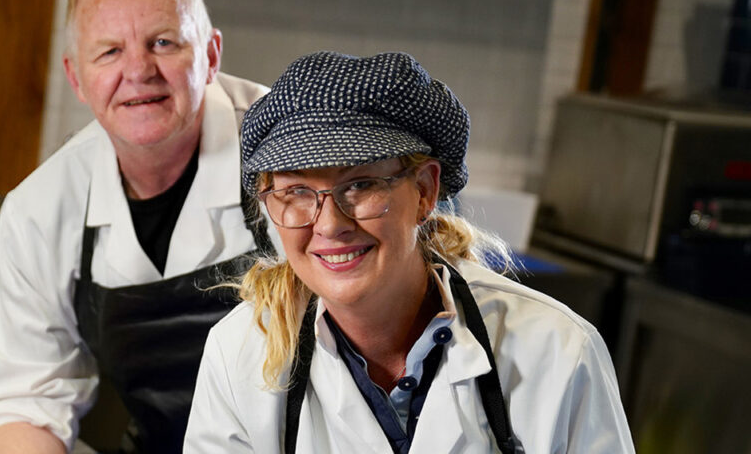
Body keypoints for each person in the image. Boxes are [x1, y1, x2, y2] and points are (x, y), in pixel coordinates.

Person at [184, 51, 634, 453]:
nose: (329, 224)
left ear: (424, 191)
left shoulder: (557, 352)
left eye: (359, 185)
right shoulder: (237, 353)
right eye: (297, 191)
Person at [0, 0, 274, 454]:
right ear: (76, 78)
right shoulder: (42, 207)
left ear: (211, 54)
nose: (139, 70)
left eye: (163, 42)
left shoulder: (293, 157)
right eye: (109, 51)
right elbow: (23, 398)